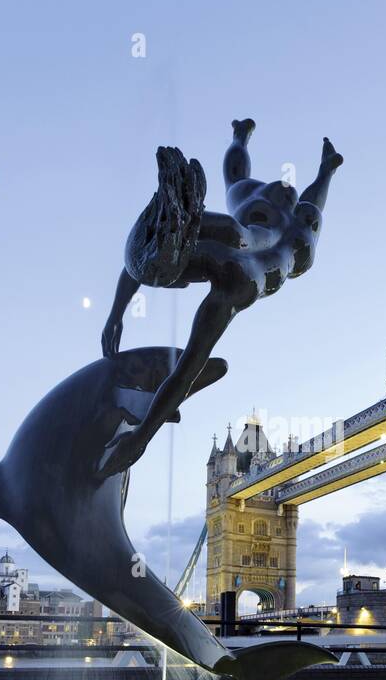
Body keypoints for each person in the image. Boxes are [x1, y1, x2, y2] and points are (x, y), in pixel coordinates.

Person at [97, 118, 342, 477]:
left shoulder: (235, 287)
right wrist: (115, 314)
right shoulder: (214, 230)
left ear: (184, 280)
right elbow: (152, 249)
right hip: (267, 214)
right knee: (241, 186)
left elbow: (185, 374)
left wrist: (140, 439)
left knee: (305, 213)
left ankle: (322, 170)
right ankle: (253, 140)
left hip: (290, 242)